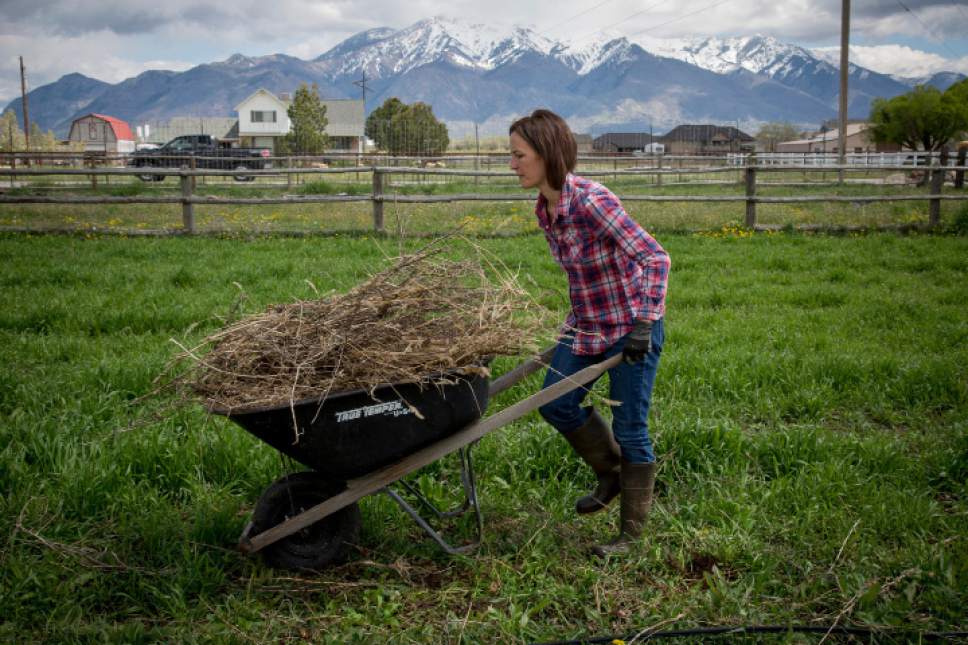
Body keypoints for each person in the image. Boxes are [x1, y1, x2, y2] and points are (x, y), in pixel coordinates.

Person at [509, 109, 670, 556]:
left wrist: (644, 324)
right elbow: (580, 277)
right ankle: (611, 473)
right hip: (587, 326)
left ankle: (631, 539)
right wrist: (570, 325)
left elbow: (655, 258)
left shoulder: (592, 201)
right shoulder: (545, 209)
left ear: (547, 154)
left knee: (632, 428)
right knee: (556, 404)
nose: (512, 164)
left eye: (519, 155)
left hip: (632, 329)